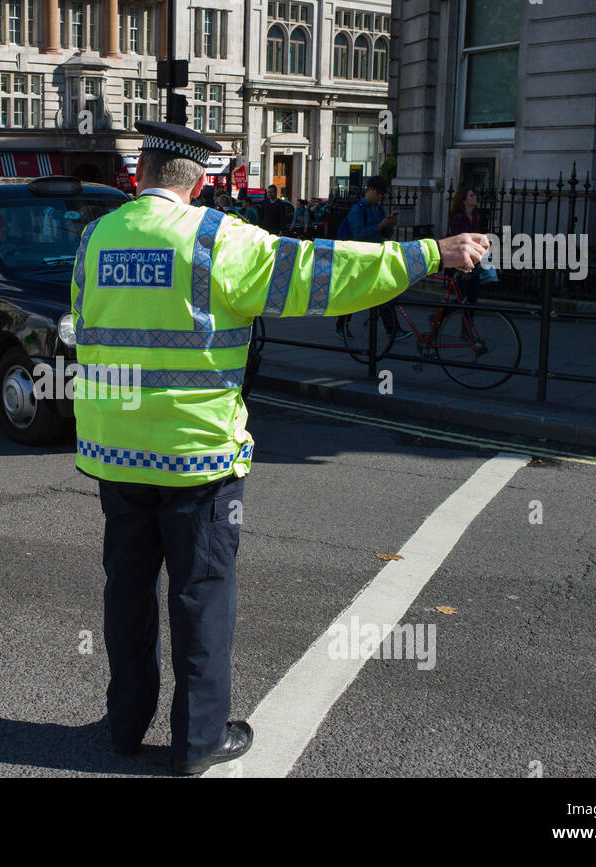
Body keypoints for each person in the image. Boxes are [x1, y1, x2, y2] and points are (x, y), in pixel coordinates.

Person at [71, 120, 489, 776]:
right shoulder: (216, 239)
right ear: (201, 182)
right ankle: (198, 740)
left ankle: (125, 725)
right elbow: (327, 273)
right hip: (198, 457)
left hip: (114, 455)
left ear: (142, 174)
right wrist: (431, 254)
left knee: (126, 592)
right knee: (201, 596)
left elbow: (86, 334)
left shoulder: (95, 239)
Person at [334, 176, 408, 339]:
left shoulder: (379, 209)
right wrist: (380, 226)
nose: (381, 197)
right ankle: (342, 325)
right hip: (357, 260)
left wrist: (388, 226)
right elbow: (358, 234)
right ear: (370, 190)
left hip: (374, 258)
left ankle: (393, 330)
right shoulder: (357, 209)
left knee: (382, 293)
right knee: (353, 295)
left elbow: (384, 234)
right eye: (379, 193)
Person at [448, 187, 486, 306]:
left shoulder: (476, 217)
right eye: (471, 195)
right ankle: (440, 315)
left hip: (473, 262)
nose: (475, 197)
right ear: (464, 201)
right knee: (462, 298)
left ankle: (468, 324)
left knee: (472, 298)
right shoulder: (458, 218)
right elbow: (455, 241)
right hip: (460, 263)